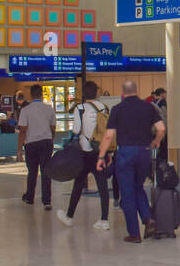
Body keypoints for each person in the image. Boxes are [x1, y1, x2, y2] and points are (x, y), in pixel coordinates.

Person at [96, 79, 165, 244]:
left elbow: (108, 135)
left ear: (123, 93)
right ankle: (148, 219)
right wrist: (156, 141)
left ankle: (134, 234)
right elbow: (161, 128)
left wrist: (101, 156)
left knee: (127, 193)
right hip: (144, 152)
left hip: (125, 153)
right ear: (137, 91)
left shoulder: (117, 109)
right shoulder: (148, 107)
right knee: (138, 186)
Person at [55, 81, 111, 230]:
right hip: (101, 151)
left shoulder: (80, 108)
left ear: (84, 94)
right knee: (103, 186)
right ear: (96, 93)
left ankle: (69, 216)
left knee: (78, 184)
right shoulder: (104, 107)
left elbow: (76, 130)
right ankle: (104, 219)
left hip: (85, 152)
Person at [18, 84, 56, 209]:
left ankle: (29, 197)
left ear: (30, 95)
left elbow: (23, 130)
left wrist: (19, 149)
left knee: (32, 172)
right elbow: (53, 127)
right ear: (42, 94)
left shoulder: (25, 110)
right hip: (46, 142)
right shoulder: (49, 109)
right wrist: (51, 139)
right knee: (46, 172)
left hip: (31, 144)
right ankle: (47, 201)